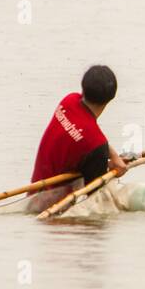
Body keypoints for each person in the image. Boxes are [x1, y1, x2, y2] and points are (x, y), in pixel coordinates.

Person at [25, 65, 131, 211]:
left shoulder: (68, 101)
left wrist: (112, 156)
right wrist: (113, 172)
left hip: (33, 197)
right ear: (110, 98)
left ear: (83, 88)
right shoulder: (95, 145)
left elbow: (88, 137)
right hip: (55, 212)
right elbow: (96, 198)